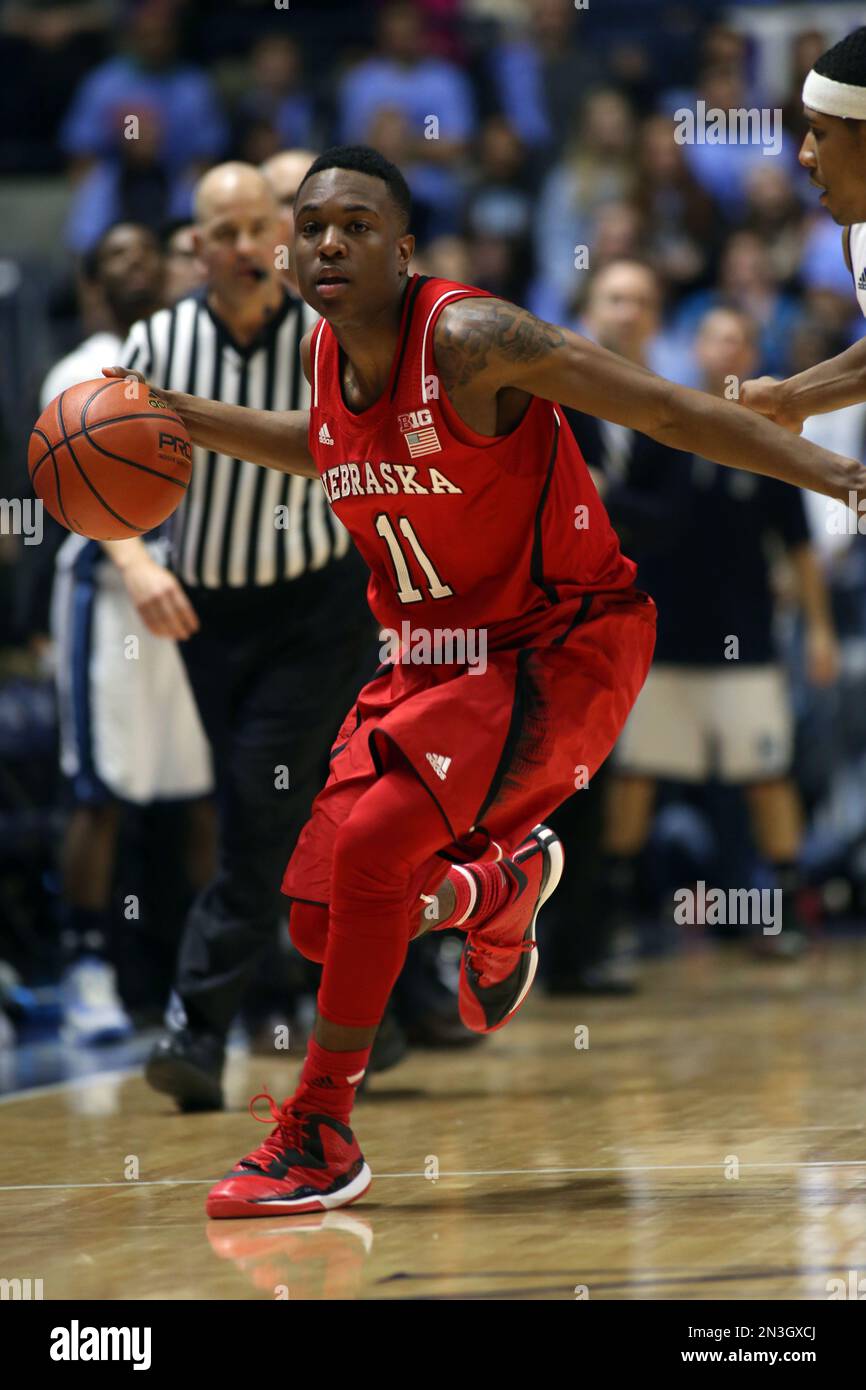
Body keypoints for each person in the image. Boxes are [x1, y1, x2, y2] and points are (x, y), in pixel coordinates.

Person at [107, 145, 866, 1218]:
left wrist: (838, 473)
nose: (327, 242)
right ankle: (491, 890)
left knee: (372, 857)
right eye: (312, 226)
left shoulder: (469, 337)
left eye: (356, 225)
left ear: (404, 247)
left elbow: (659, 407)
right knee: (327, 926)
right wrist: (173, 413)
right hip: (425, 662)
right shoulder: (327, 361)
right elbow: (320, 450)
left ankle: (320, 1130)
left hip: (553, 646)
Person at [103, 162, 374, 1111]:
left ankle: (197, 1030)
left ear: (283, 238)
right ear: (197, 245)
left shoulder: (327, 335)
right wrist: (136, 562)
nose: (243, 247)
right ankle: (371, 1003)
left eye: (260, 227)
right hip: (209, 615)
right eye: (222, 231)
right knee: (280, 812)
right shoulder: (156, 340)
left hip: (318, 606)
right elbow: (93, 462)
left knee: (266, 810)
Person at [606, 306, 839, 961]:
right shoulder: (661, 427)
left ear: (750, 350)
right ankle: (620, 917)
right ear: (698, 348)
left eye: (738, 337)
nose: (725, 347)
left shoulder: (768, 437)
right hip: (663, 642)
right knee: (637, 775)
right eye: (714, 335)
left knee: (767, 776)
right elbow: (618, 521)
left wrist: (819, 630)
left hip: (748, 646)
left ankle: (787, 911)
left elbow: (798, 549)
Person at [44, 222, 214, 1043]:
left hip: (187, 591)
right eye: (116, 255)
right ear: (91, 287)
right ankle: (86, 970)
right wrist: (139, 566)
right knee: (100, 791)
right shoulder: (81, 370)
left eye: (145, 251)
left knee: (199, 789)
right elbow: (69, 490)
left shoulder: (183, 360)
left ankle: (206, 983)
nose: (136, 260)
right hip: (109, 596)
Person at [742, 27, 866, 429]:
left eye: (820, 131)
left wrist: (791, 398)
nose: (804, 155)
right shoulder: (856, 235)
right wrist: (789, 399)